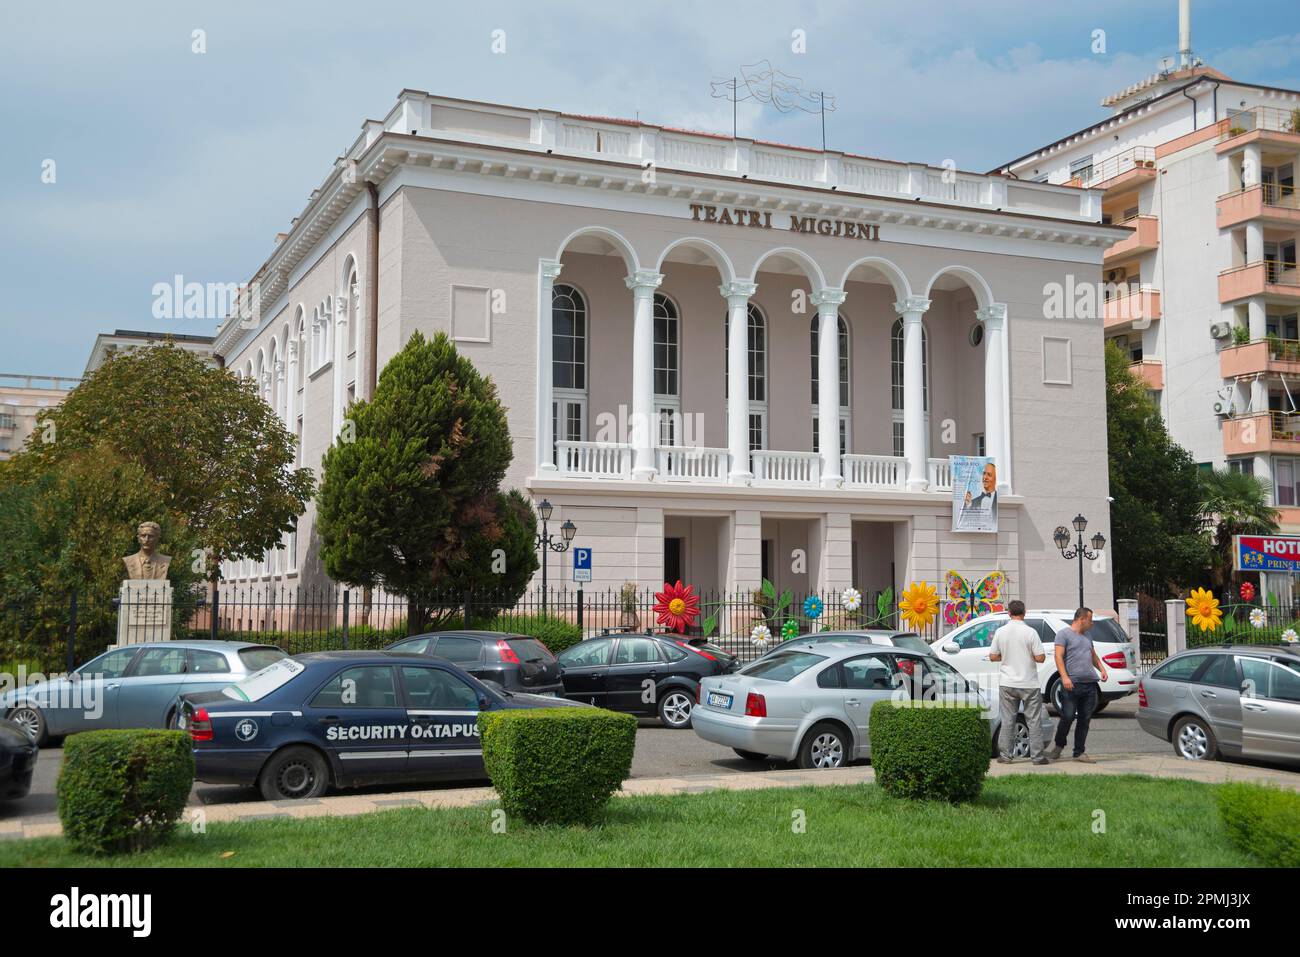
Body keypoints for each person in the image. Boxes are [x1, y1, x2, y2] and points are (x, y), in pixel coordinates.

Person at [989, 599, 1049, 765]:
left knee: (1008, 719)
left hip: (1007, 682)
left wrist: (1006, 656)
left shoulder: (1001, 632)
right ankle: (1037, 757)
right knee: (1034, 720)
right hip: (1029, 683)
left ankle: (1006, 756)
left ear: (1009, 613)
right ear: (1024, 613)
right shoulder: (1031, 632)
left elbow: (993, 656)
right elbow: (1040, 657)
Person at [1049, 607, 1109, 763]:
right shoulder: (1063, 634)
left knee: (1085, 719)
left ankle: (1079, 752)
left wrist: (1102, 669)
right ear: (1082, 619)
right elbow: (1058, 656)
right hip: (1072, 684)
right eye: (1090, 619)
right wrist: (1065, 677)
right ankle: (1058, 746)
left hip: (1089, 685)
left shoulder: (1088, 636)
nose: (1092, 623)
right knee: (1067, 716)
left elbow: (1093, 655)